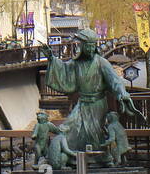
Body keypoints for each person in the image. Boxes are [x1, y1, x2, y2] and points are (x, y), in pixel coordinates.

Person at [41, 28, 143, 162]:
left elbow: (115, 81)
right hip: (82, 103)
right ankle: (71, 157)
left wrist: (122, 93)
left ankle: (101, 158)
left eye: (92, 46)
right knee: (70, 128)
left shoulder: (101, 62)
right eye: (87, 46)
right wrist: (51, 58)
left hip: (97, 104)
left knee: (95, 133)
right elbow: (63, 69)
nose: (89, 49)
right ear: (81, 46)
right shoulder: (75, 63)